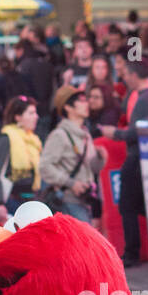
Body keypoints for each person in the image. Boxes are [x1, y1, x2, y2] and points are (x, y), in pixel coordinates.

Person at [119, 58, 148, 266]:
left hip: (136, 158)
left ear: (134, 76)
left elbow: (134, 133)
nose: (124, 78)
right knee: (142, 205)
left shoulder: (145, 100)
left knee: (127, 206)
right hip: (146, 157)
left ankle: (132, 253)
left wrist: (114, 133)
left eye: (126, 74)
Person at [39, 87, 105, 223]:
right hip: (67, 201)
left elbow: (92, 169)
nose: (87, 103)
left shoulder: (85, 134)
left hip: (85, 201)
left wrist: (100, 158)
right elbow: (44, 167)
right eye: (81, 101)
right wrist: (71, 183)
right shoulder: (60, 135)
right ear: (68, 107)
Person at [0, 95, 44, 220]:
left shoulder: (33, 140)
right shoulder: (7, 139)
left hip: (31, 200)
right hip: (11, 203)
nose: (36, 117)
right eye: (31, 113)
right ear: (18, 117)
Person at [14, 34, 55, 134]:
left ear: (21, 50)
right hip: (46, 110)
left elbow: (22, 89)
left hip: (30, 112)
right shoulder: (46, 64)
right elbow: (53, 88)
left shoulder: (23, 66)